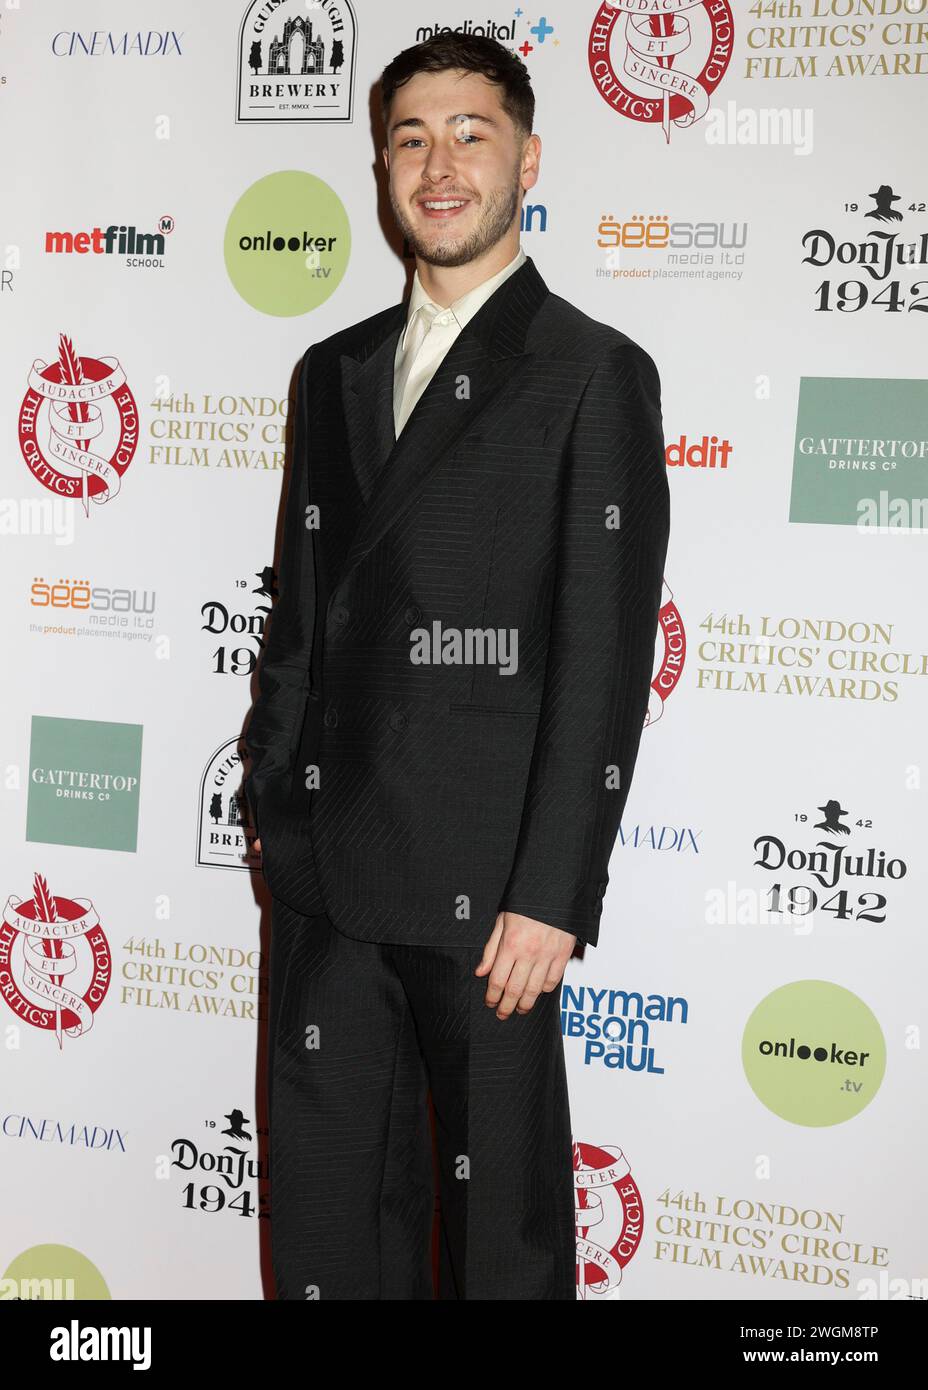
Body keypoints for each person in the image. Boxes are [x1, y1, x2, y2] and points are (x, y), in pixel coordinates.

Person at [243, 32, 670, 1300]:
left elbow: (603, 653)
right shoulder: (331, 372)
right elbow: (300, 621)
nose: (439, 164)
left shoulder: (591, 374)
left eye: (469, 132)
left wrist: (551, 894)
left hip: (491, 909)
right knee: (331, 1230)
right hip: (328, 880)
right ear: (381, 169)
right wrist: (277, 810)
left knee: (502, 1246)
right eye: (411, 138)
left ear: (527, 157)